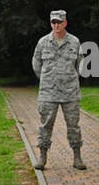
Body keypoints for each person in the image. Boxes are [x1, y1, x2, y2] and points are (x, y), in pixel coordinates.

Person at [32, 9, 85, 170]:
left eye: (59, 22)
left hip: (70, 92)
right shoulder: (43, 42)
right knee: (45, 124)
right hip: (48, 92)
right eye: (53, 22)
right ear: (50, 23)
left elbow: (80, 64)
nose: (56, 25)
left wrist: (70, 78)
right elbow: (36, 63)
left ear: (65, 23)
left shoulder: (75, 42)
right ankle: (42, 156)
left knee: (73, 125)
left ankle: (77, 157)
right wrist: (47, 79)